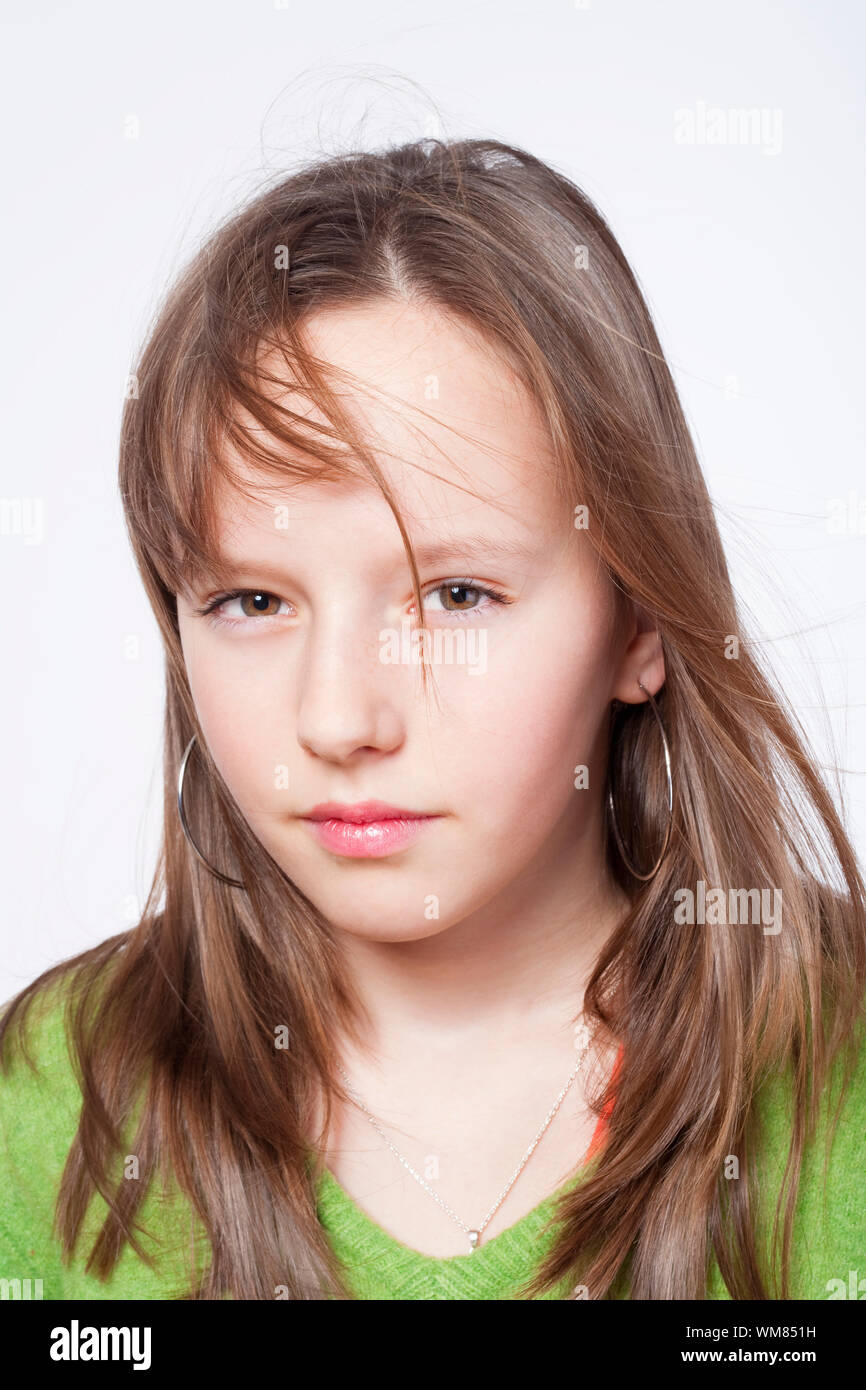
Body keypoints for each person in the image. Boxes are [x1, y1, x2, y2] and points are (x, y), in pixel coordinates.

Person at [1, 137, 864, 1301]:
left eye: (456, 595)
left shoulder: (839, 1076)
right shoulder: (51, 1105)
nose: (338, 717)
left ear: (640, 623)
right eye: (252, 600)